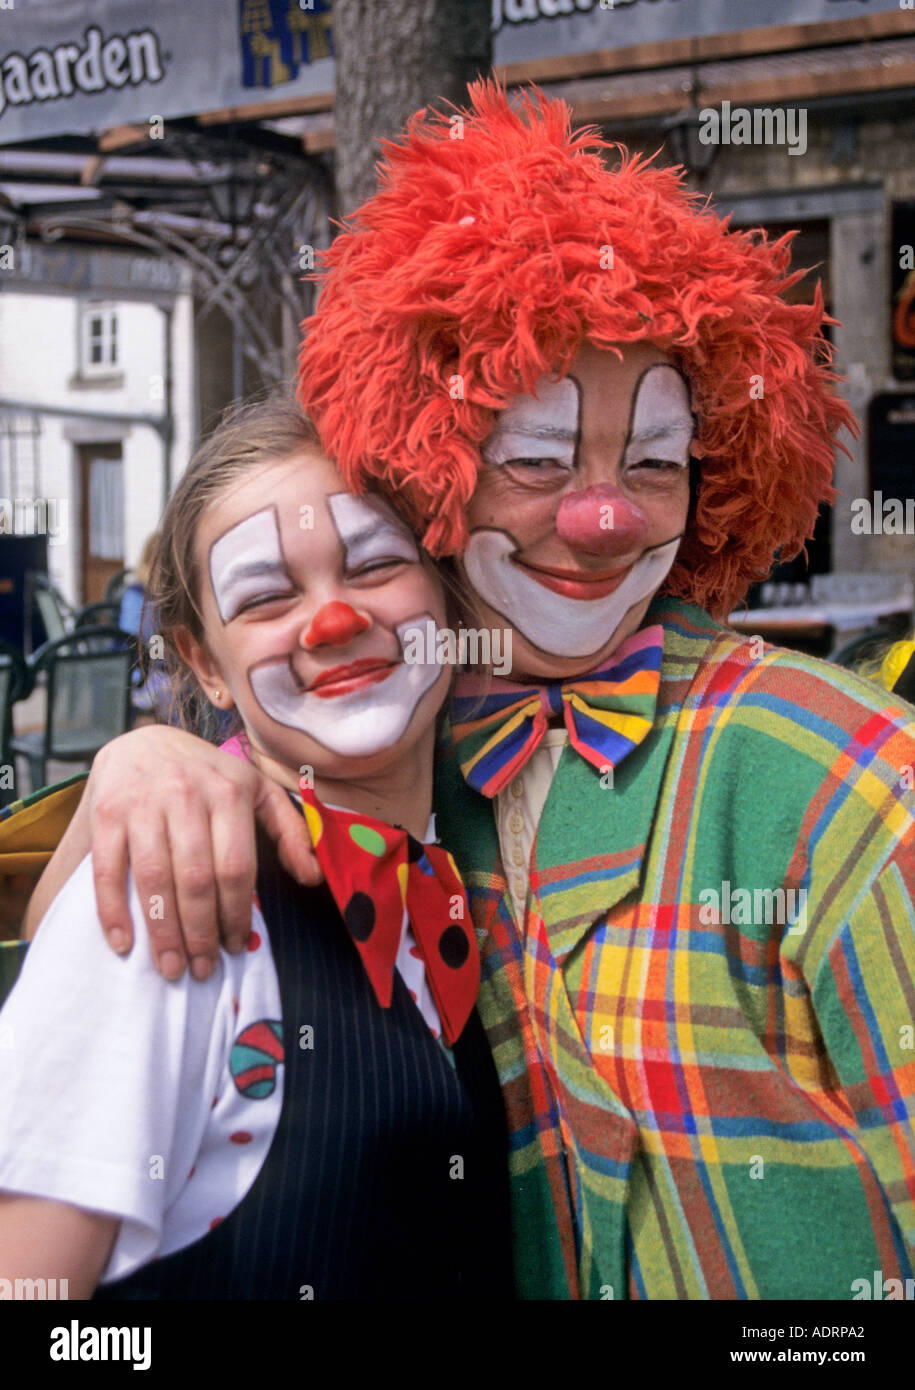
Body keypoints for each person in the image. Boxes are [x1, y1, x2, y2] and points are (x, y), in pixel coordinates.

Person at [11, 81, 915, 1300]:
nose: (600, 517)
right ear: (440, 478)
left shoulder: (835, 767)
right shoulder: (353, 808)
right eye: (538, 458)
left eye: (652, 463)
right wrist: (149, 764)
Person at [0, 396, 512, 1300]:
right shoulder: (168, 889)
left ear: (446, 591)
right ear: (204, 666)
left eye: (378, 563)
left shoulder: (481, 866)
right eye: (268, 596)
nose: (332, 622)